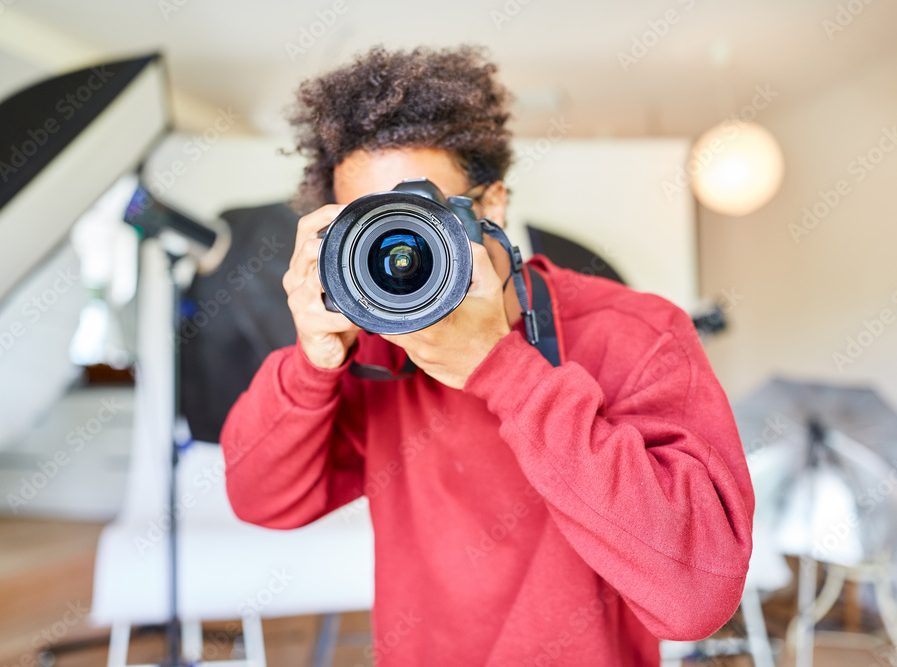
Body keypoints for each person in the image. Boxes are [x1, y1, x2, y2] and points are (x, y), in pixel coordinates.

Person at [220, 45, 753, 666]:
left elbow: (695, 597)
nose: (400, 248)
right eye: (368, 223)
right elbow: (261, 500)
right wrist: (311, 364)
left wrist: (500, 370)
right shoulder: (369, 356)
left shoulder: (637, 333)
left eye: (417, 214)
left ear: (493, 203)